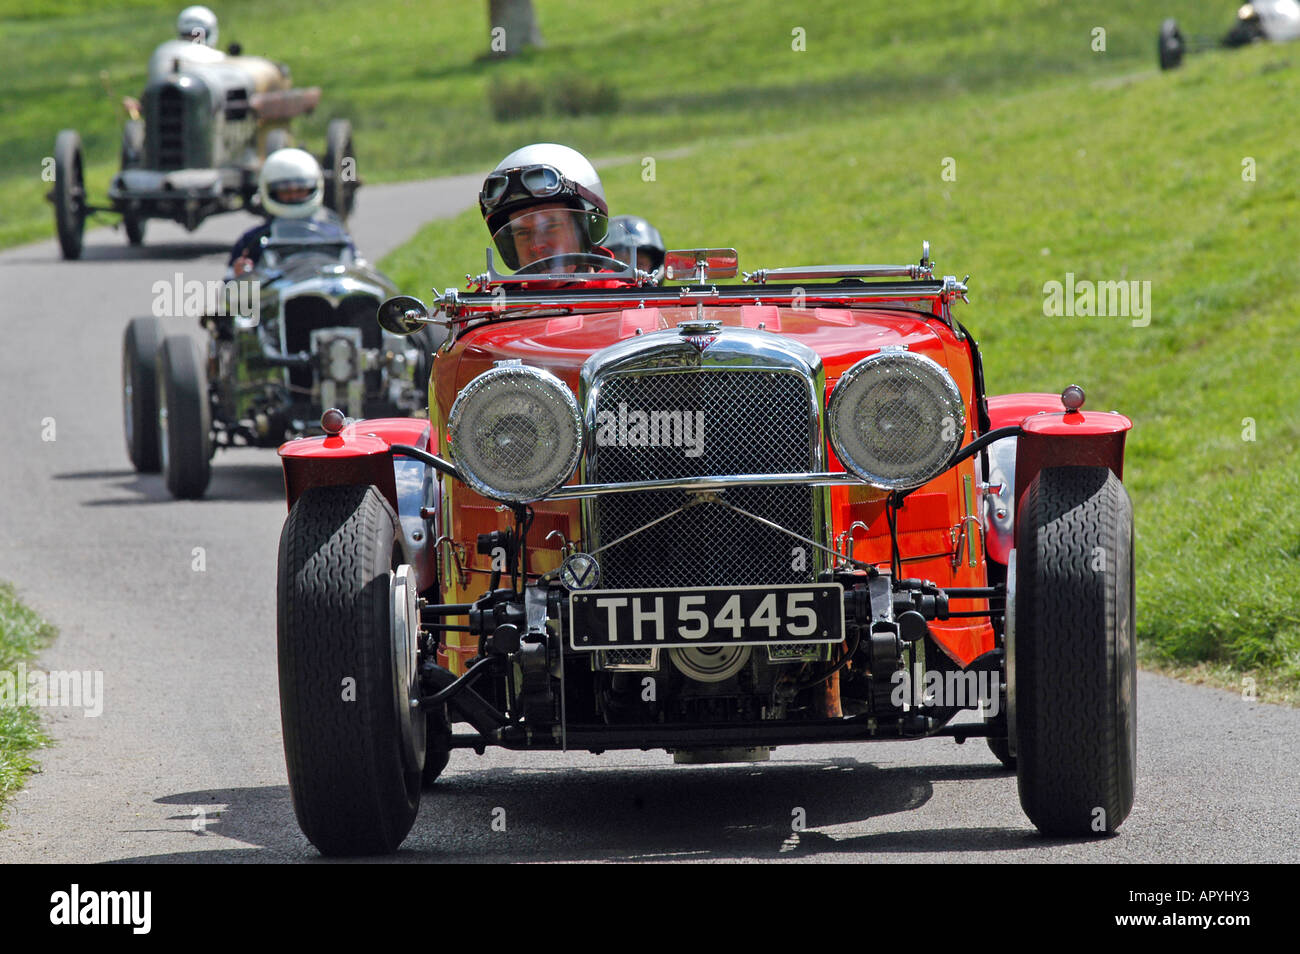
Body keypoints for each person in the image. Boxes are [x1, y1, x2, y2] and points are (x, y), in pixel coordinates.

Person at [478, 143, 622, 278]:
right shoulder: (494, 301)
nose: (536, 245)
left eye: (550, 227)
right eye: (522, 233)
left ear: (585, 229)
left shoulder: (626, 298)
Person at [228, 147, 352, 276]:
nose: (293, 196)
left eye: (300, 190)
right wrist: (240, 275)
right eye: (285, 191)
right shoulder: (252, 241)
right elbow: (230, 290)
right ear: (271, 191)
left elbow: (357, 272)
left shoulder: (335, 236)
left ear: (313, 188)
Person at [148, 6, 224, 80]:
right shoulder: (164, 54)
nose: (194, 40)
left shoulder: (162, 51)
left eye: (199, 35)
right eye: (189, 35)